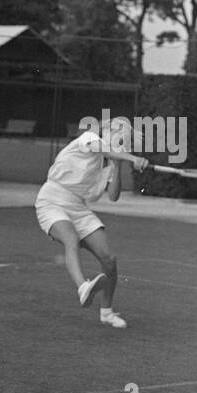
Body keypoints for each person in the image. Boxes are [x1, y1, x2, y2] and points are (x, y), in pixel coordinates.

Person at [35, 116, 149, 328]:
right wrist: (134, 159)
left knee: (109, 259)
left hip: (78, 208)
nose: (120, 141)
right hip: (51, 200)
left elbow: (113, 196)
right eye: (117, 135)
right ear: (106, 132)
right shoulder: (88, 139)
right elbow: (106, 150)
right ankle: (82, 287)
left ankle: (106, 312)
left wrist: (118, 165)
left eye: (123, 140)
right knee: (70, 237)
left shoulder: (108, 163)